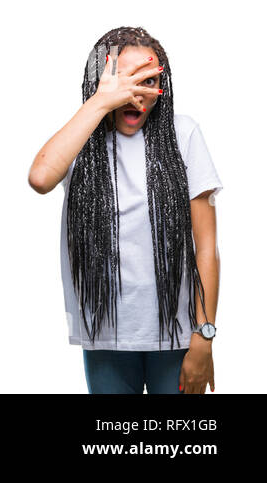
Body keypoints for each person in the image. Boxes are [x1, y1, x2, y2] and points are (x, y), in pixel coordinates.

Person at [28, 27, 221, 394]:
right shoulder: (82, 138)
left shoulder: (184, 134)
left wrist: (204, 336)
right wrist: (100, 102)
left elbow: (206, 248)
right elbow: (40, 178)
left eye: (148, 81)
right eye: (125, 80)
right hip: (106, 337)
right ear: (102, 80)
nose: (137, 94)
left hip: (177, 335)